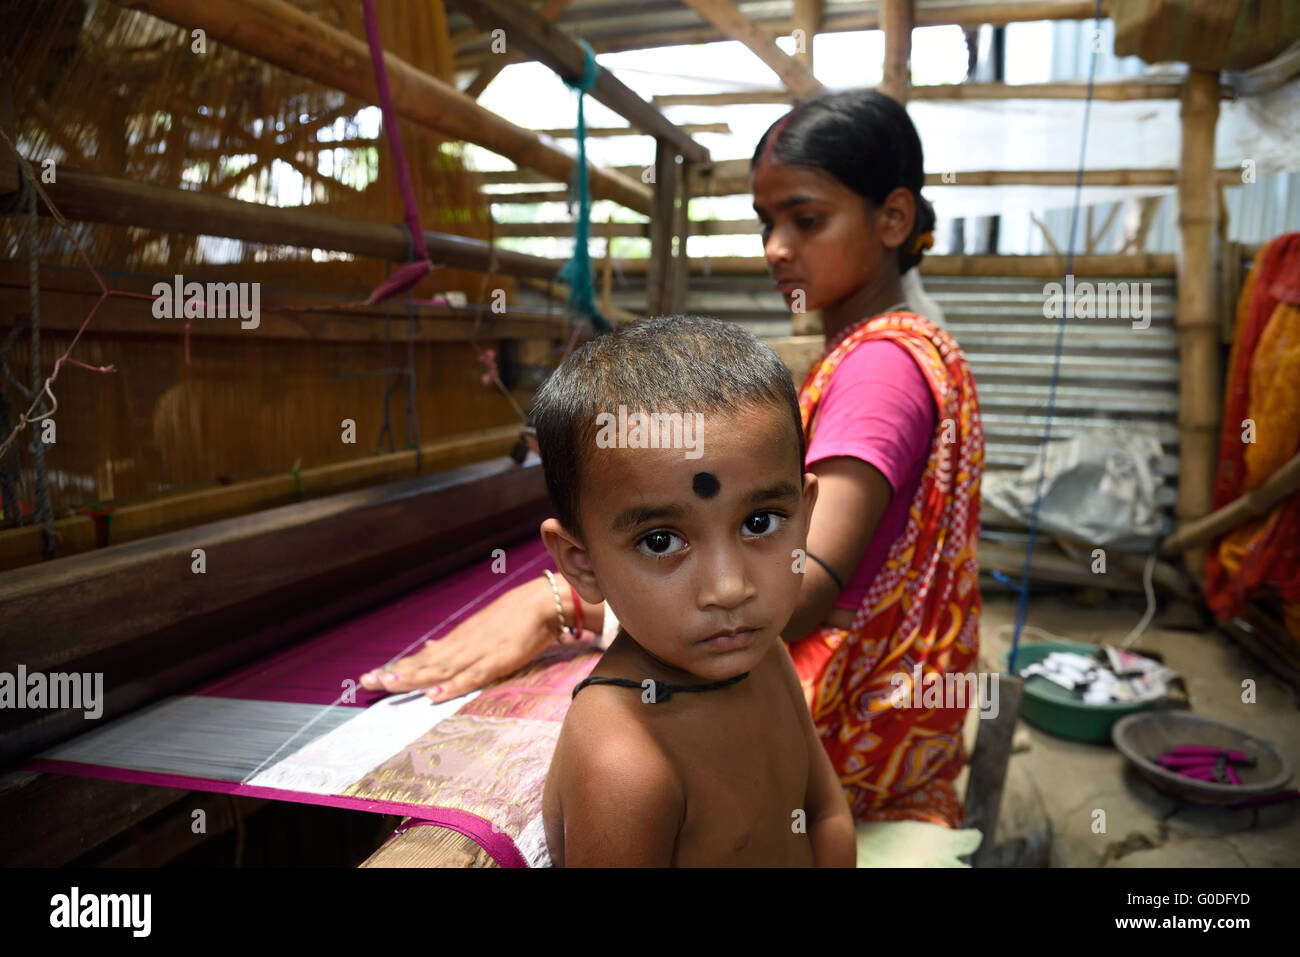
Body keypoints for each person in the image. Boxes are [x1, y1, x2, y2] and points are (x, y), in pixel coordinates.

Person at [362, 88, 983, 829]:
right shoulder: (893, 349)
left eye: (806, 219)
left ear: (893, 218)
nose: (776, 247)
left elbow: (804, 585)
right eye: (766, 222)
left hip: (853, 738)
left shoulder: (880, 368)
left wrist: (562, 602)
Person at [527, 315, 855, 866]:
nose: (729, 589)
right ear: (581, 566)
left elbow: (826, 815)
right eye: (660, 540)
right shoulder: (624, 762)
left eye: (760, 523)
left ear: (806, 514)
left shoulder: (766, 656)